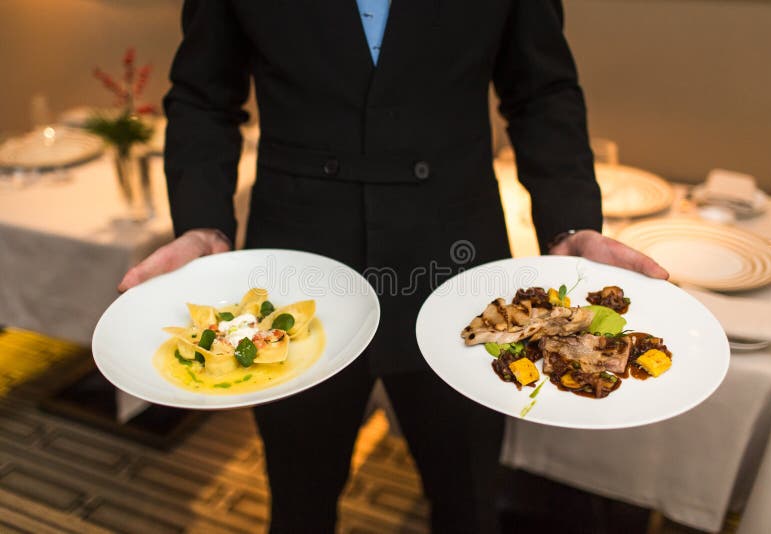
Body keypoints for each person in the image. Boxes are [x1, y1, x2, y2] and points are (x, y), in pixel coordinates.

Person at [119, 1, 668, 532]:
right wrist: (204, 223)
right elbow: (203, 96)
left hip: (458, 268)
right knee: (298, 498)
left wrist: (570, 223)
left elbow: (541, 91)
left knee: (469, 498)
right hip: (295, 268)